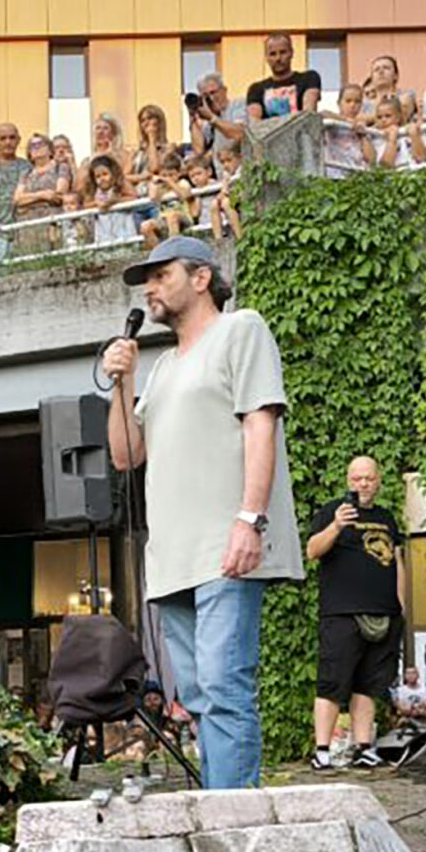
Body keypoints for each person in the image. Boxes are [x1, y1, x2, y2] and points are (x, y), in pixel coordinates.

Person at [102, 237, 303, 789]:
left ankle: (231, 817)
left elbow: (260, 425)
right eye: (147, 279)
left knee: (222, 686)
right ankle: (221, 804)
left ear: (201, 278)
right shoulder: (163, 367)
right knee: (195, 697)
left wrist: (250, 519)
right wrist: (122, 381)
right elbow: (125, 454)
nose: (149, 288)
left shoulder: (241, 330)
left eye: (161, 275)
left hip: (224, 547)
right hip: (172, 560)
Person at [305, 456, 407, 771]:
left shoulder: (387, 517)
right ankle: (322, 752)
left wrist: (402, 606)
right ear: (348, 481)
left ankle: (364, 748)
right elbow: (312, 550)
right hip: (342, 613)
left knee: (369, 685)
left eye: (369, 478)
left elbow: (397, 562)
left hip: (385, 612)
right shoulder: (332, 511)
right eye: (357, 478)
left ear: (378, 481)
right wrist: (336, 525)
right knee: (332, 683)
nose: (363, 483)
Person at [14, 134, 74, 257]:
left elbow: (58, 196)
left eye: (40, 144)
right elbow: (17, 200)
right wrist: (42, 195)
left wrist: (29, 199)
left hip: (53, 224)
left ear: (50, 149)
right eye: (32, 146)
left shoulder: (60, 168)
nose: (36, 148)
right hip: (29, 227)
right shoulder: (26, 173)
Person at [245, 32, 323, 120]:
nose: (278, 58)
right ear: (266, 57)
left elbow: (308, 113)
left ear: (291, 53)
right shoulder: (256, 89)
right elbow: (255, 122)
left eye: (283, 52)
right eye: (273, 54)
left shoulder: (309, 78)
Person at [189, 72, 250, 166]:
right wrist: (193, 117)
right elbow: (198, 151)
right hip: (222, 172)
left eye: (213, 92)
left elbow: (238, 133)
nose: (211, 98)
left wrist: (212, 118)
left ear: (224, 90)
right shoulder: (208, 121)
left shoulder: (238, 105)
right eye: (206, 96)